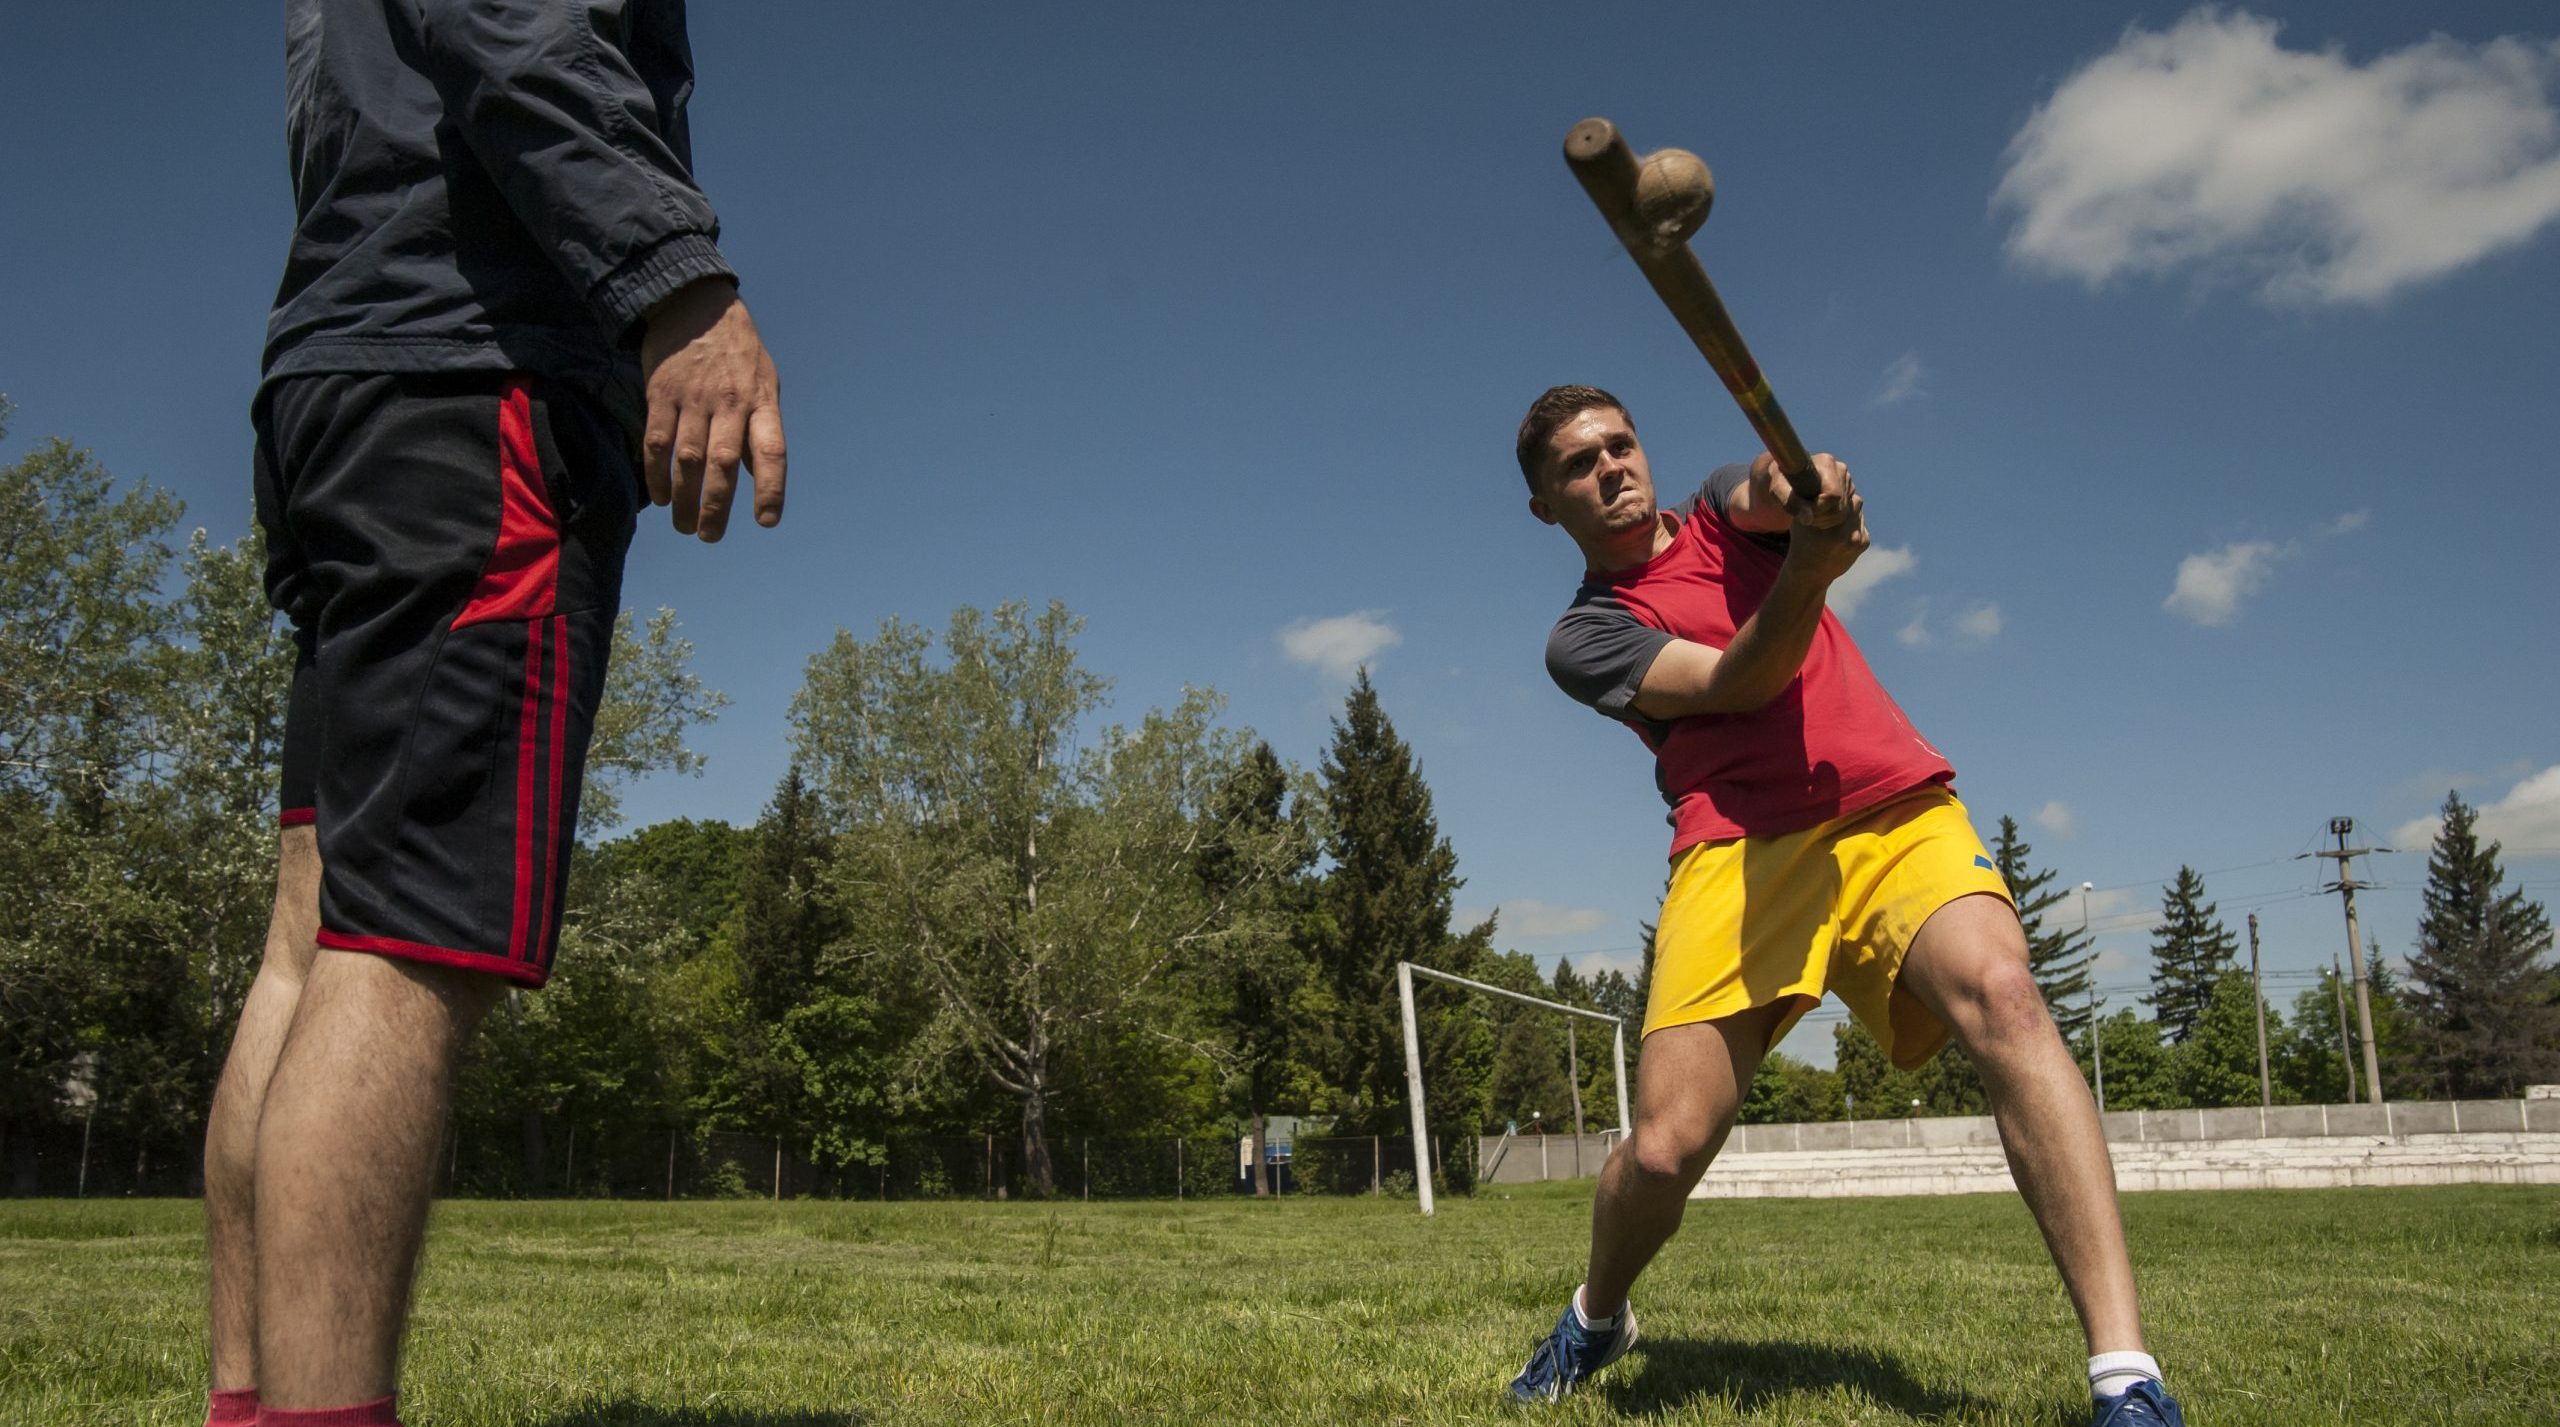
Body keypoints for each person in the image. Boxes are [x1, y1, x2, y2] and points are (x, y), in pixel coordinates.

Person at [201, 5, 786, 1425]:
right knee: (407, 945)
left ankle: (246, 1407)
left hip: (350, 374)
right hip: (467, 380)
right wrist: (675, 279)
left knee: (310, 939)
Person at [1505, 386, 2183, 1427]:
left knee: (2006, 995)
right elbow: (1739, 680)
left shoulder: (1720, 513)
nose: (1608, 467)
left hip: (1883, 804)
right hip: (1735, 853)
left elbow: (1761, 486)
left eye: (1618, 443)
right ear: (1546, 507)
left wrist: (1805, 486)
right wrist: (1814, 572)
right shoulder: (1586, 635)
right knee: (1663, 1148)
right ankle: (1597, 1312)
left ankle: (2126, 1377)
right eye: (1576, 465)